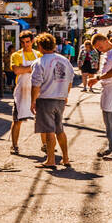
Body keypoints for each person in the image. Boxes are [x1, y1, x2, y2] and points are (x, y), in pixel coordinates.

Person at [30, 33, 75, 168]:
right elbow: (70, 80)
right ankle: (65, 158)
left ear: (40, 46)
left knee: (49, 130)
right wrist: (65, 94)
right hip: (60, 98)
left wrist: (33, 101)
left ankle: (50, 160)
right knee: (59, 129)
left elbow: (36, 84)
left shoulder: (39, 62)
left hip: (45, 99)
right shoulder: (64, 60)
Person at [86, 32, 112, 161]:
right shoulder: (106, 54)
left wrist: (98, 78)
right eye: (97, 48)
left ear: (105, 40)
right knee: (109, 123)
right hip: (108, 90)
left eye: (99, 46)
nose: (99, 49)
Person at [5, 30, 39, 154]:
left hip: (36, 90)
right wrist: (32, 68)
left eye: (28, 42)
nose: (26, 45)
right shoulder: (16, 55)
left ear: (33, 41)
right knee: (17, 119)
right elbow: (16, 70)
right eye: (23, 42)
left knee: (41, 119)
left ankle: (45, 145)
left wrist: (25, 69)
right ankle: (14, 145)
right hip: (21, 91)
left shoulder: (39, 54)